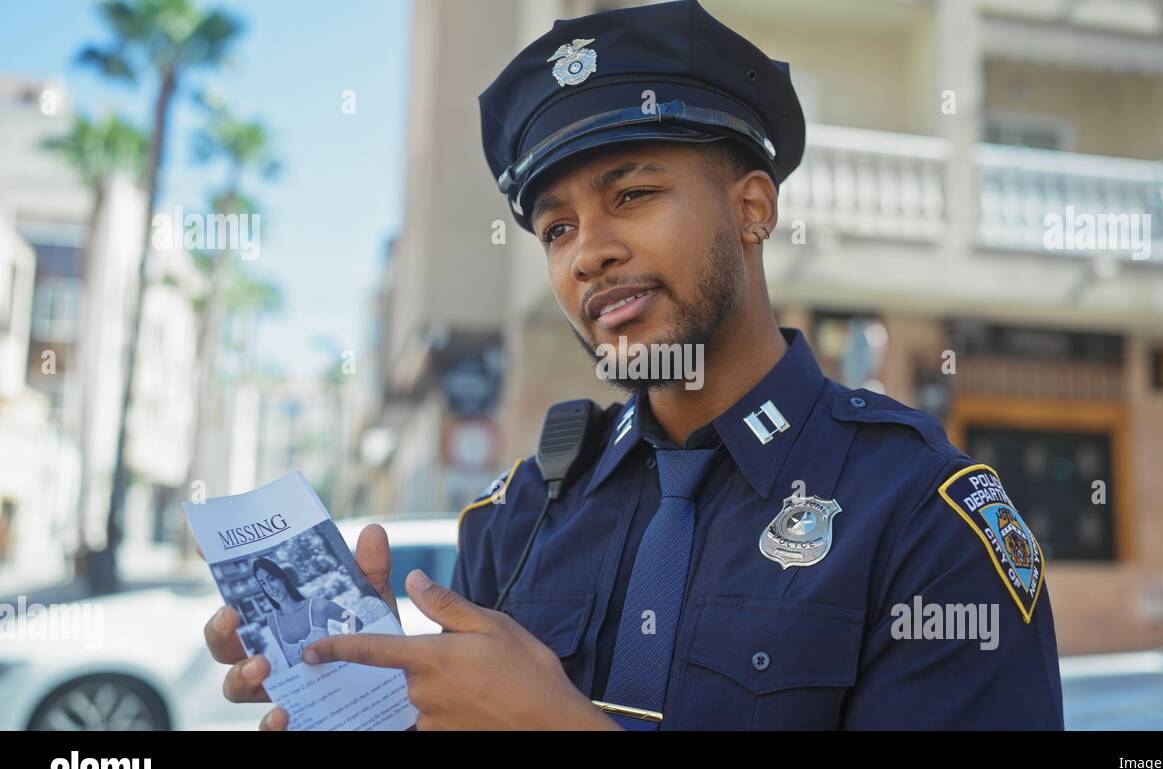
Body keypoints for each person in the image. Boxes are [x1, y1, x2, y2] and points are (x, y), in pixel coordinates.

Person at [205, 0, 1063, 730]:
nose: (588, 254)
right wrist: (371, 698)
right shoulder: (522, 514)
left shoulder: (925, 517)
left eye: (632, 195)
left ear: (752, 208)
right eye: (557, 229)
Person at [251, 556, 363, 668]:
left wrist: (343, 648)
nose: (270, 588)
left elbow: (355, 622)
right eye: (263, 583)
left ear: (282, 578)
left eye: (271, 579)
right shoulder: (272, 621)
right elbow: (291, 664)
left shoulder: (318, 607)